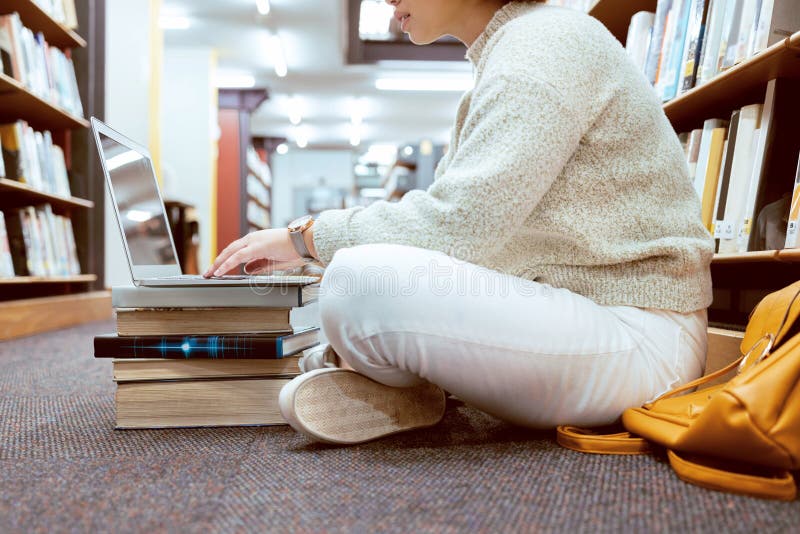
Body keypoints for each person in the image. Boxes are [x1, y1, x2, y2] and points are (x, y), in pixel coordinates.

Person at [206, 0, 714, 445]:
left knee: (358, 282)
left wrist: (307, 238)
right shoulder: (515, 49)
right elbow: (461, 231)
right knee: (351, 293)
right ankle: (410, 381)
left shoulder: (540, 48)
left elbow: (461, 225)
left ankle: (406, 382)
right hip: (590, 318)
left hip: (642, 341)